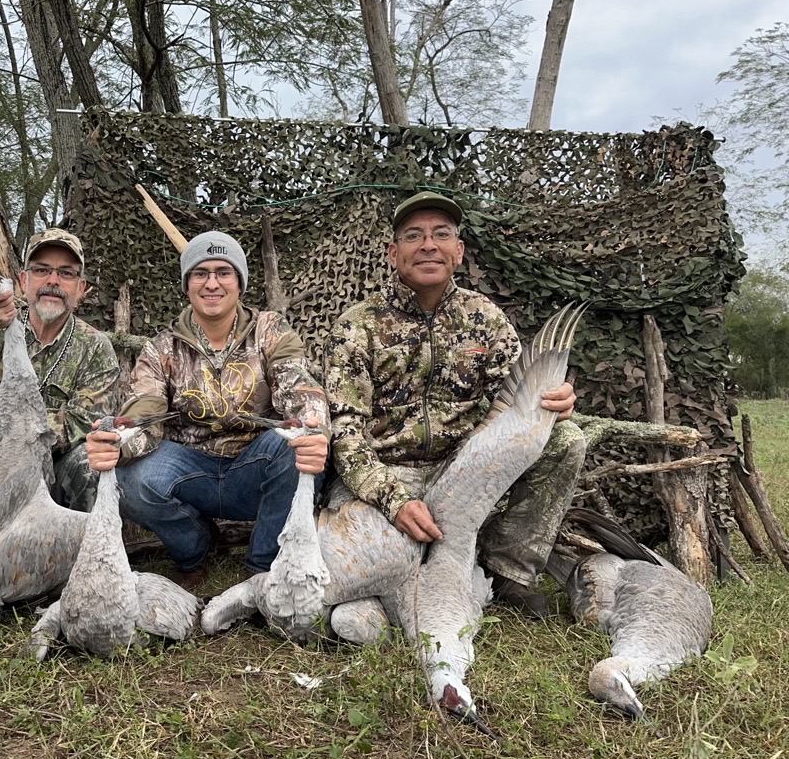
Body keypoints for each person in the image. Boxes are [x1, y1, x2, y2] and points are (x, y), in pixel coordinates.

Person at [322, 190, 586, 617]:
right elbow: (345, 433)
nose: (429, 244)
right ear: (394, 253)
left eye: (441, 234)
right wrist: (392, 499)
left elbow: (518, 404)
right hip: (384, 473)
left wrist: (555, 403)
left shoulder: (485, 319)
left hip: (463, 468)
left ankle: (509, 571)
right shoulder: (357, 327)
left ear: (458, 251)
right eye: (414, 236)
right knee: (378, 572)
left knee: (565, 440)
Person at [86, 230, 330, 591]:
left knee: (295, 448)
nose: (211, 283)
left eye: (223, 272)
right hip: (189, 468)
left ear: (239, 283)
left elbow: (299, 384)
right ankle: (194, 547)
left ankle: (262, 567)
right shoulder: (162, 348)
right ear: (187, 284)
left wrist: (314, 429)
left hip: (254, 464)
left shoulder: (270, 331)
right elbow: (144, 412)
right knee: (131, 478)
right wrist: (117, 443)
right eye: (200, 273)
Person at [0, 228, 119, 511]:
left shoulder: (95, 348)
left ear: (81, 288)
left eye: (66, 273)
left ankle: (77, 547)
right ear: (23, 280)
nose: (53, 281)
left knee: (89, 463)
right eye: (42, 270)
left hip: (50, 474)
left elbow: (81, 426)